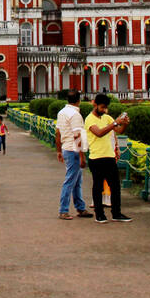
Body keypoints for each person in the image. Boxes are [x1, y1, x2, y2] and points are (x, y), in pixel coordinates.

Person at [85, 93, 130, 224]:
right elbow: (99, 133)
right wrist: (115, 122)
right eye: (102, 107)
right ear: (95, 104)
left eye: (105, 108)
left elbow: (119, 131)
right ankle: (99, 214)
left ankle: (116, 213)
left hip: (109, 156)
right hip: (96, 157)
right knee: (97, 187)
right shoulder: (89, 119)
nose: (104, 110)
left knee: (115, 187)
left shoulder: (107, 117)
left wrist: (124, 123)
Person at [54, 89, 90, 219]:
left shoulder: (61, 113)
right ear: (79, 101)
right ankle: (63, 210)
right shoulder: (75, 115)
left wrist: (58, 150)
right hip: (73, 150)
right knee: (70, 181)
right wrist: (82, 156)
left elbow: (57, 133)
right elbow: (77, 136)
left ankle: (80, 207)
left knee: (76, 180)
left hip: (66, 148)